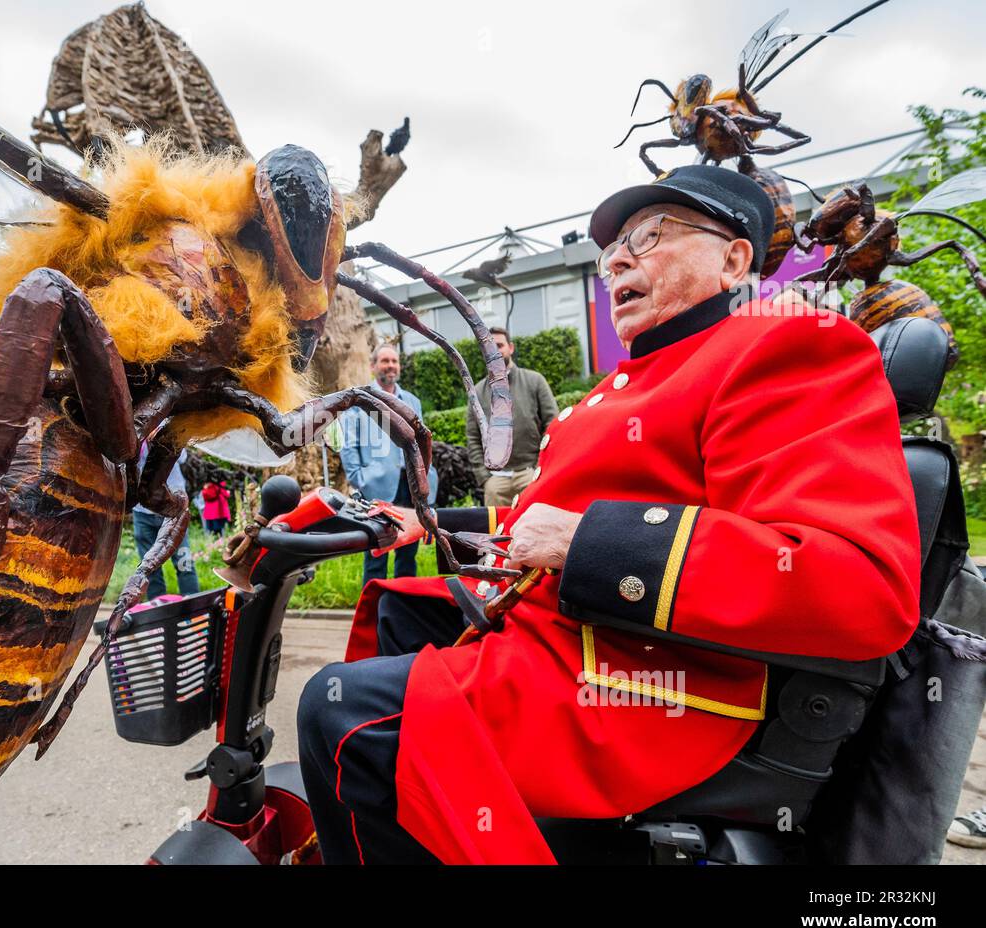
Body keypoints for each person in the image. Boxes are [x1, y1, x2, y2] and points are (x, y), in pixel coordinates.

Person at [297, 165, 922, 864]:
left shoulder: (788, 345)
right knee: (396, 610)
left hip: (657, 690)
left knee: (337, 707)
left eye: (649, 236)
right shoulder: (640, 378)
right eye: (612, 249)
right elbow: (547, 523)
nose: (617, 258)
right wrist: (434, 522)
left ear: (735, 258)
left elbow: (861, 584)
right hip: (579, 636)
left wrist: (586, 540)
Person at [338, 343, 438, 585]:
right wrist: (359, 479)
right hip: (376, 487)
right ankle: (372, 611)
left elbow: (422, 441)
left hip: (410, 485)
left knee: (408, 552)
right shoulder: (360, 401)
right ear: (373, 366)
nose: (390, 365)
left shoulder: (412, 401)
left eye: (394, 361)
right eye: (385, 361)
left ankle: (402, 607)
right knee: (375, 552)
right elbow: (348, 445)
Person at [465, 326, 558, 506]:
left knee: (535, 529)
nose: (495, 352)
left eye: (499, 345)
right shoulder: (476, 392)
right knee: (498, 531)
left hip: (530, 473)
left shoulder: (535, 381)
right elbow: (473, 437)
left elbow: (553, 425)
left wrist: (543, 468)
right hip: (496, 481)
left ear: (511, 348)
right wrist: (485, 478)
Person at [132, 443, 200, 598]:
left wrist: (157, 439)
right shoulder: (134, 429)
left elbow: (182, 457)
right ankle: (156, 609)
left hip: (173, 510)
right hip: (142, 512)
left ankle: (192, 606)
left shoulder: (166, 425)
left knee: (184, 563)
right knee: (149, 568)